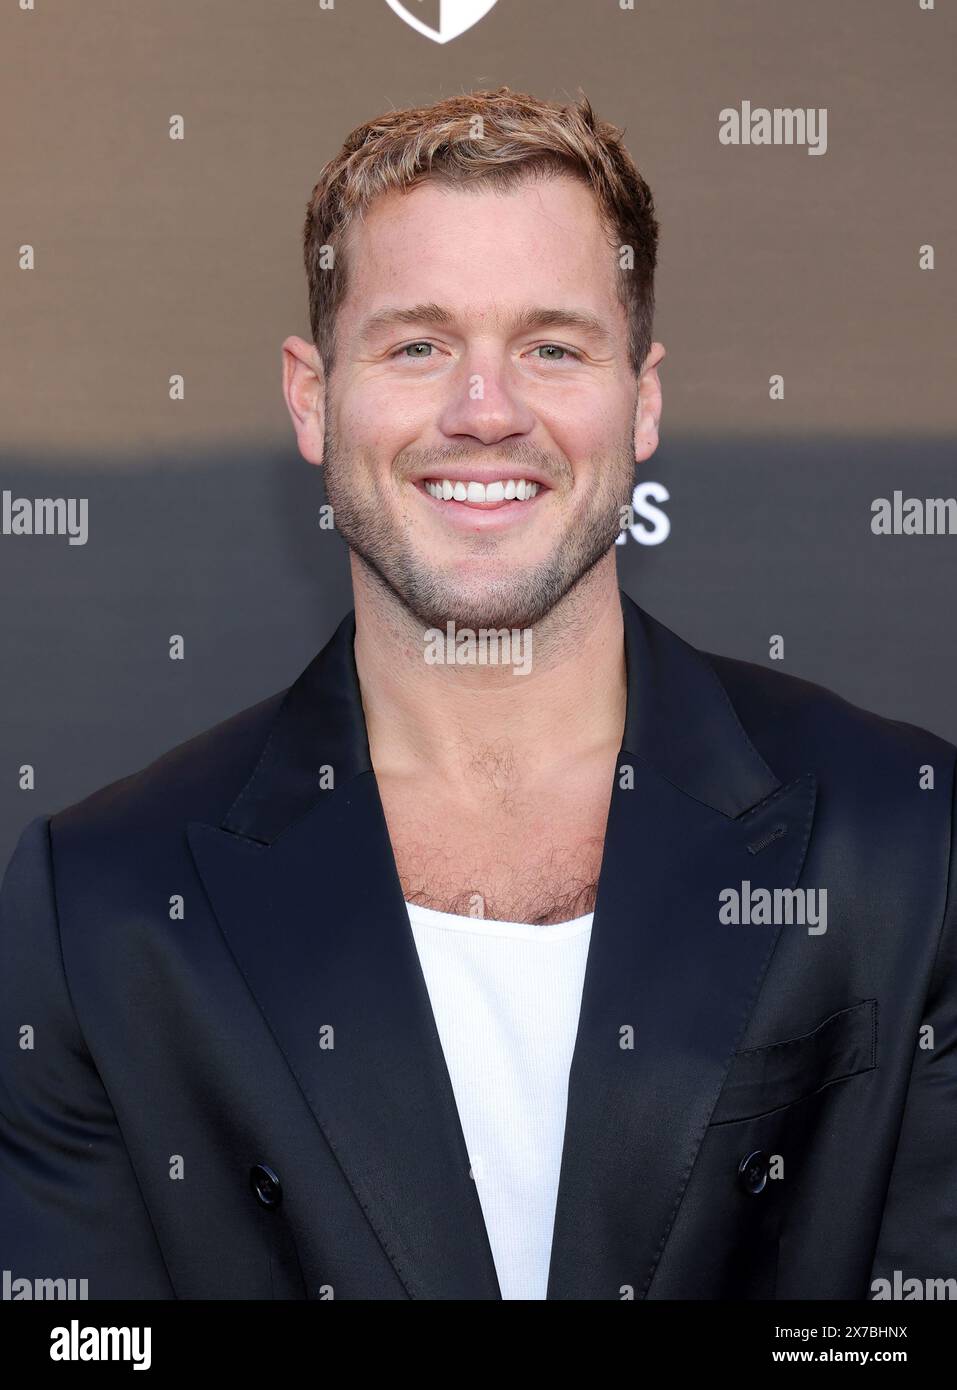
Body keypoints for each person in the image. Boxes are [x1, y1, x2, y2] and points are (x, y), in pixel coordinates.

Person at [1, 87, 954, 1302]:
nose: (486, 411)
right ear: (312, 396)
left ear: (643, 398)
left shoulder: (908, 839)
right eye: (418, 345)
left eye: (553, 346)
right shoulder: (105, 908)